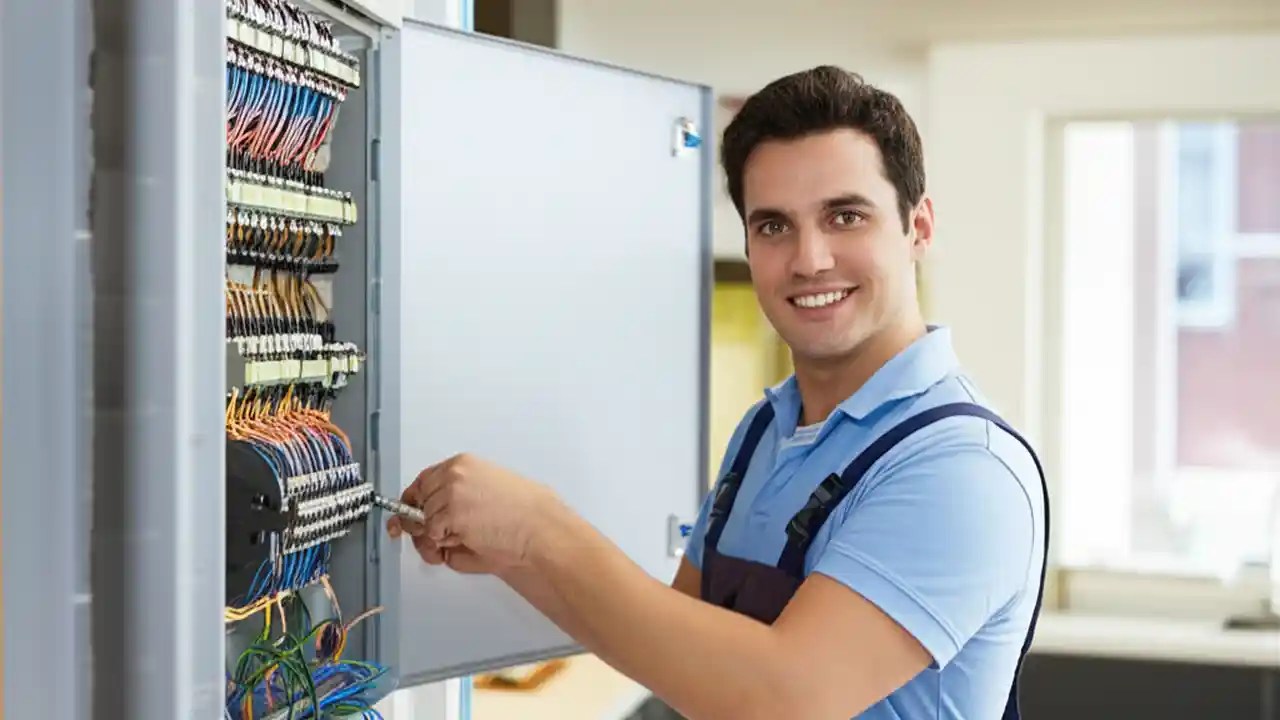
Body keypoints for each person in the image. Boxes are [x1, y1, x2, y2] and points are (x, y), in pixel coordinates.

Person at [386, 65, 1049, 720]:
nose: (810, 259)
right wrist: (513, 554)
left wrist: (538, 529)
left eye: (845, 216)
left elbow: (783, 698)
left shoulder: (963, 468)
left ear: (918, 228)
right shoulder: (766, 429)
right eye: (773, 226)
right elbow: (678, 654)